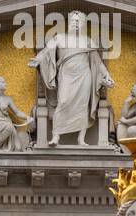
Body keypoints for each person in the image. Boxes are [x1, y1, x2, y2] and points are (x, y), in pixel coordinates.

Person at [28, 10, 114, 146]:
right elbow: (46, 52)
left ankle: (81, 139)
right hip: (66, 75)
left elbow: (97, 62)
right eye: (73, 21)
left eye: (79, 21)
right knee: (63, 101)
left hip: (84, 76)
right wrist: (37, 60)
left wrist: (106, 75)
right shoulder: (60, 37)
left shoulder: (87, 40)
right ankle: (56, 136)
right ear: (69, 23)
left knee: (83, 106)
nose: (76, 23)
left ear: (83, 24)